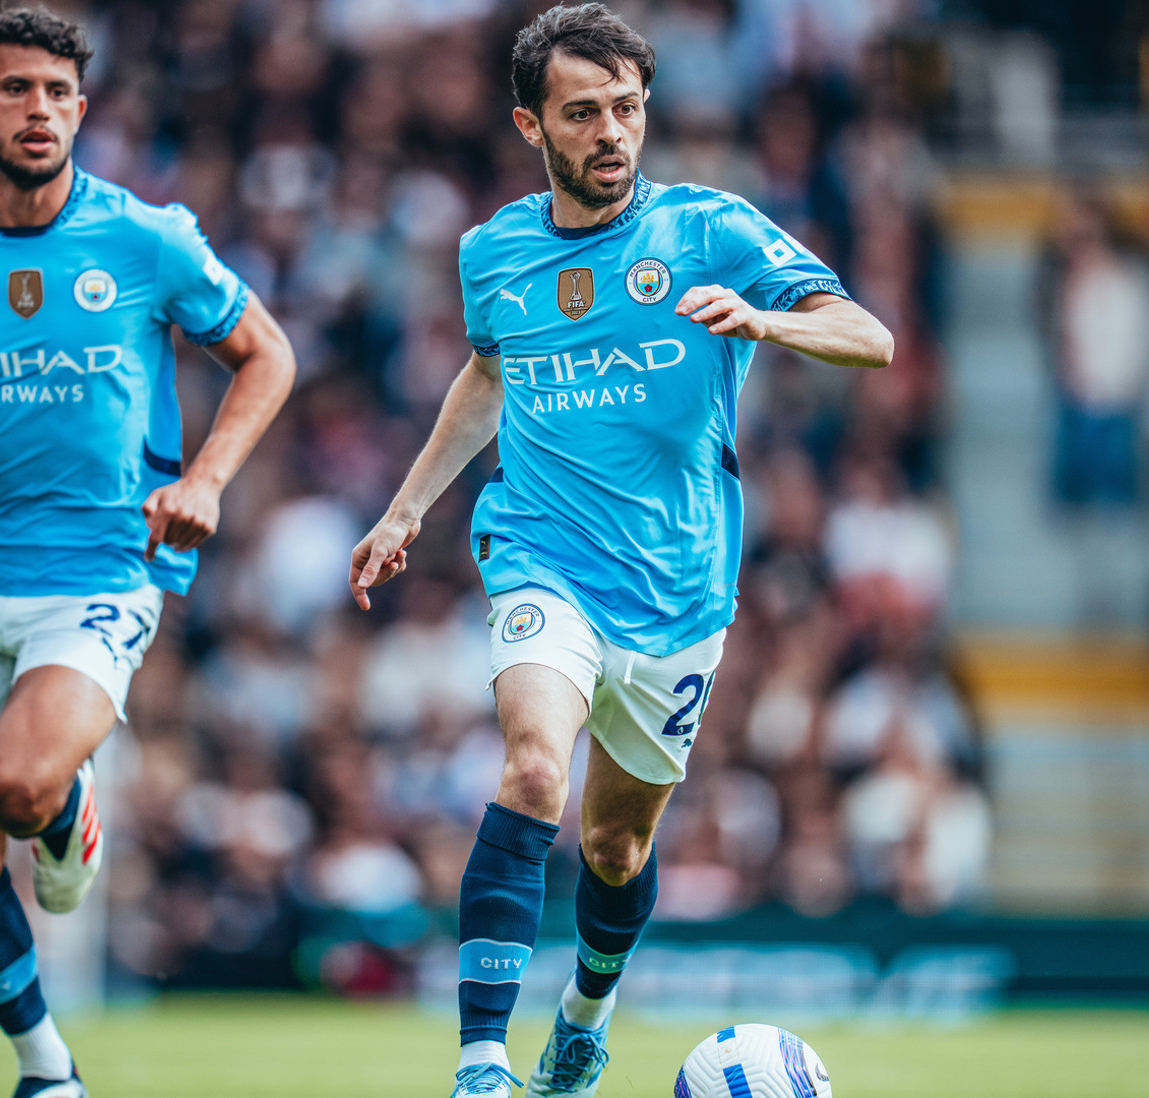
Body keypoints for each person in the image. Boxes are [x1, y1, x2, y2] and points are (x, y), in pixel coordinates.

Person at [347, 6, 891, 1095]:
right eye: (583, 112)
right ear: (529, 125)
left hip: (681, 593)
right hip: (541, 557)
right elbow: (488, 374)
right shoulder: (491, 253)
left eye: (627, 110)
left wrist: (765, 321)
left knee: (615, 851)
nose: (610, 132)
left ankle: (583, 1021)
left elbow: (867, 336)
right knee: (534, 764)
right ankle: (481, 1064)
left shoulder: (708, 230)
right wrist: (406, 509)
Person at [0, 9, 295, 1097]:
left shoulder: (145, 239)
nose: (37, 110)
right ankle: (46, 1069)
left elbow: (264, 355)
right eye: (14, 90)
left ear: (81, 110)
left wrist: (204, 482)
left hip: (102, 568)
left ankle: (66, 810)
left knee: (17, 783)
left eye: (56, 92)